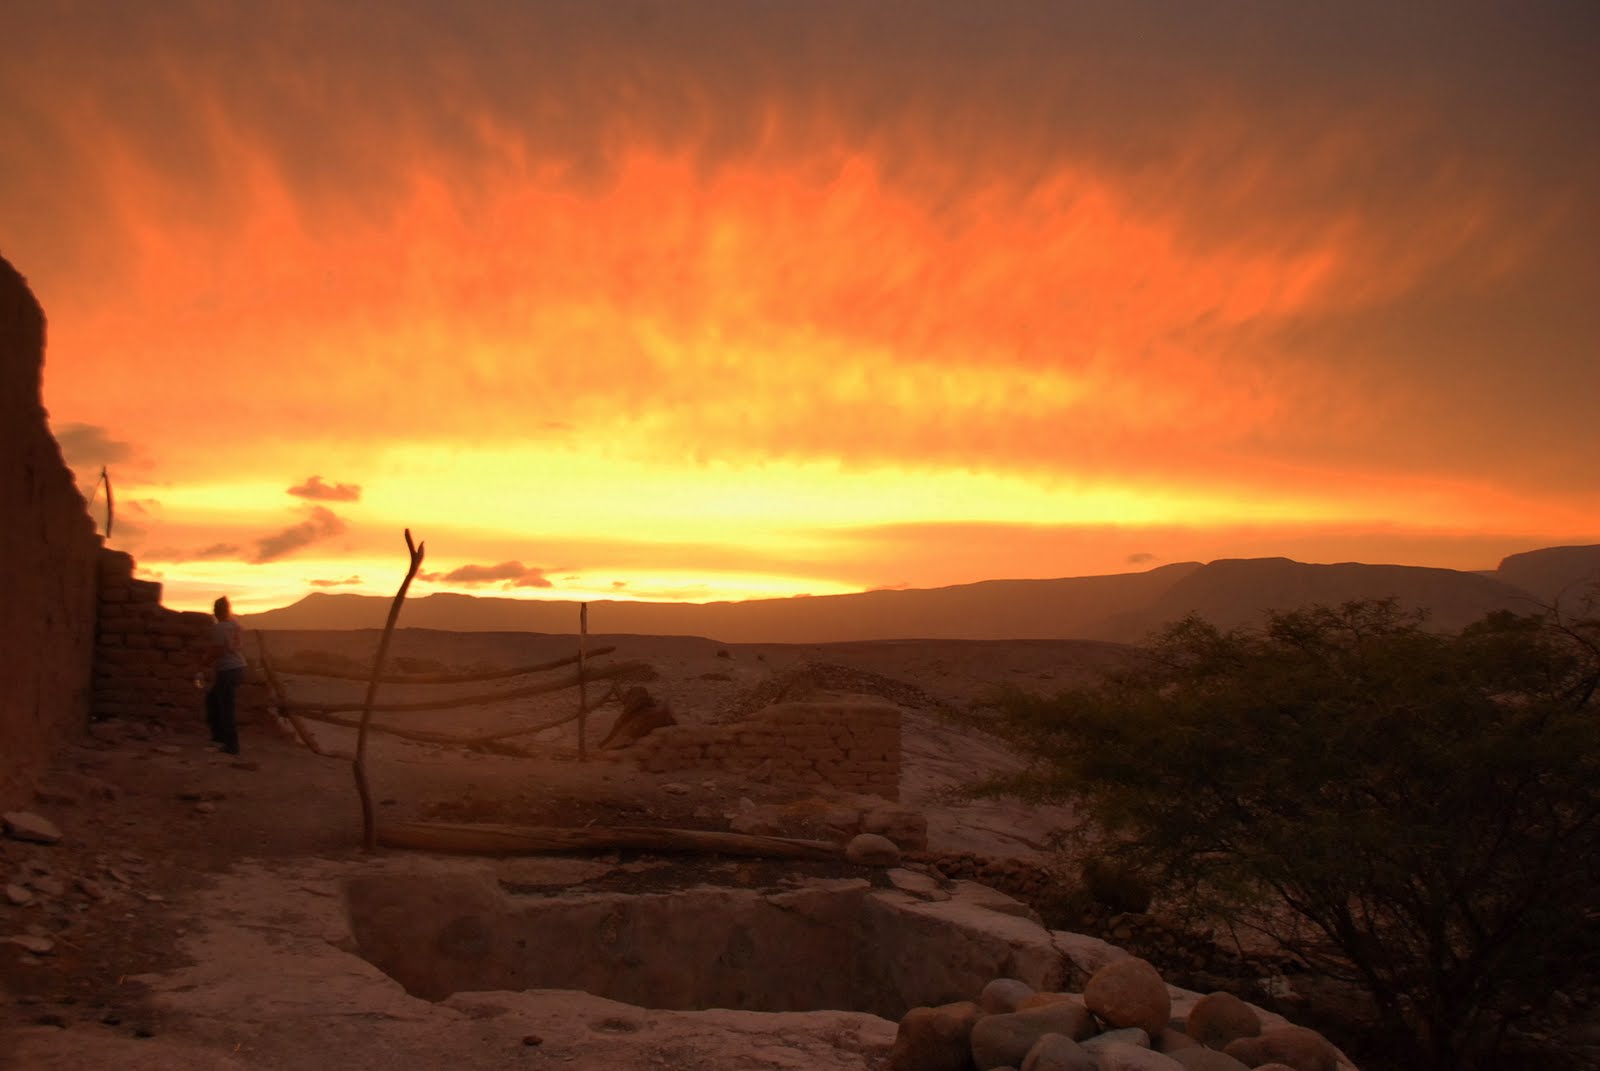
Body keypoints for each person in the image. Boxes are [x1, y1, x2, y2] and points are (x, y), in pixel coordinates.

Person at [205, 596, 247, 755]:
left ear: (217, 611)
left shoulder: (219, 628)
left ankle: (231, 745)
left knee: (225, 707)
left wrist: (204, 661)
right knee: (214, 700)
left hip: (228, 670)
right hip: (239, 667)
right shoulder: (235, 625)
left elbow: (219, 650)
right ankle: (220, 739)